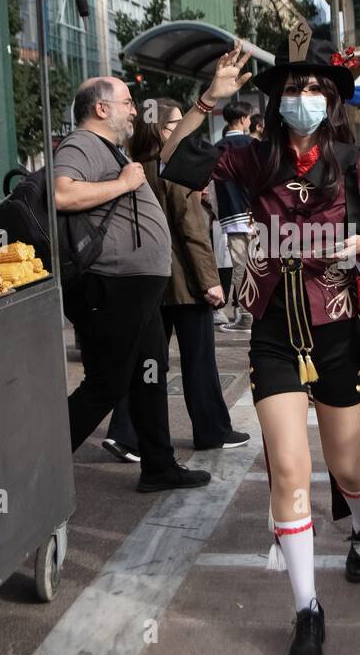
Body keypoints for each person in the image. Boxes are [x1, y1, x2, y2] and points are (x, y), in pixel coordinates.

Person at [159, 31, 360, 655]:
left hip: (336, 330)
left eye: (315, 89)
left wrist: (351, 247)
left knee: (346, 464)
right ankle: (307, 608)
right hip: (273, 330)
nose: (303, 98)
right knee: (290, 474)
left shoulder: (357, 163)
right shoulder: (250, 158)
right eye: (293, 88)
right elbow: (176, 167)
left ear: (332, 101)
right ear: (274, 98)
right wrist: (208, 102)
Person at [55, 77, 211, 492]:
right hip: (116, 284)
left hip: (138, 286)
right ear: (101, 109)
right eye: (126, 102)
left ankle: (158, 464)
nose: (134, 111)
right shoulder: (81, 144)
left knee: (149, 372)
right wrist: (124, 184)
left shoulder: (107, 147)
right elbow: (62, 194)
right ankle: (39, 467)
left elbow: (174, 141)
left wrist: (208, 100)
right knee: (106, 383)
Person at [101, 99, 250, 458]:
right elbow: (191, 228)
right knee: (198, 359)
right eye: (175, 126)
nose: (184, 132)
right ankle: (212, 429)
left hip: (149, 280)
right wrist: (211, 281)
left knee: (147, 359)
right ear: (159, 130)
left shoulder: (134, 167)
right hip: (184, 280)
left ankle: (125, 432)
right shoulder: (175, 168)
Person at [215, 100, 256, 333]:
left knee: (241, 268)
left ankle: (247, 316)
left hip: (231, 215)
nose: (250, 121)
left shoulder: (218, 148)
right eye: (249, 118)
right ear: (242, 119)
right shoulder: (253, 145)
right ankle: (262, 315)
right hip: (257, 215)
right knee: (263, 265)